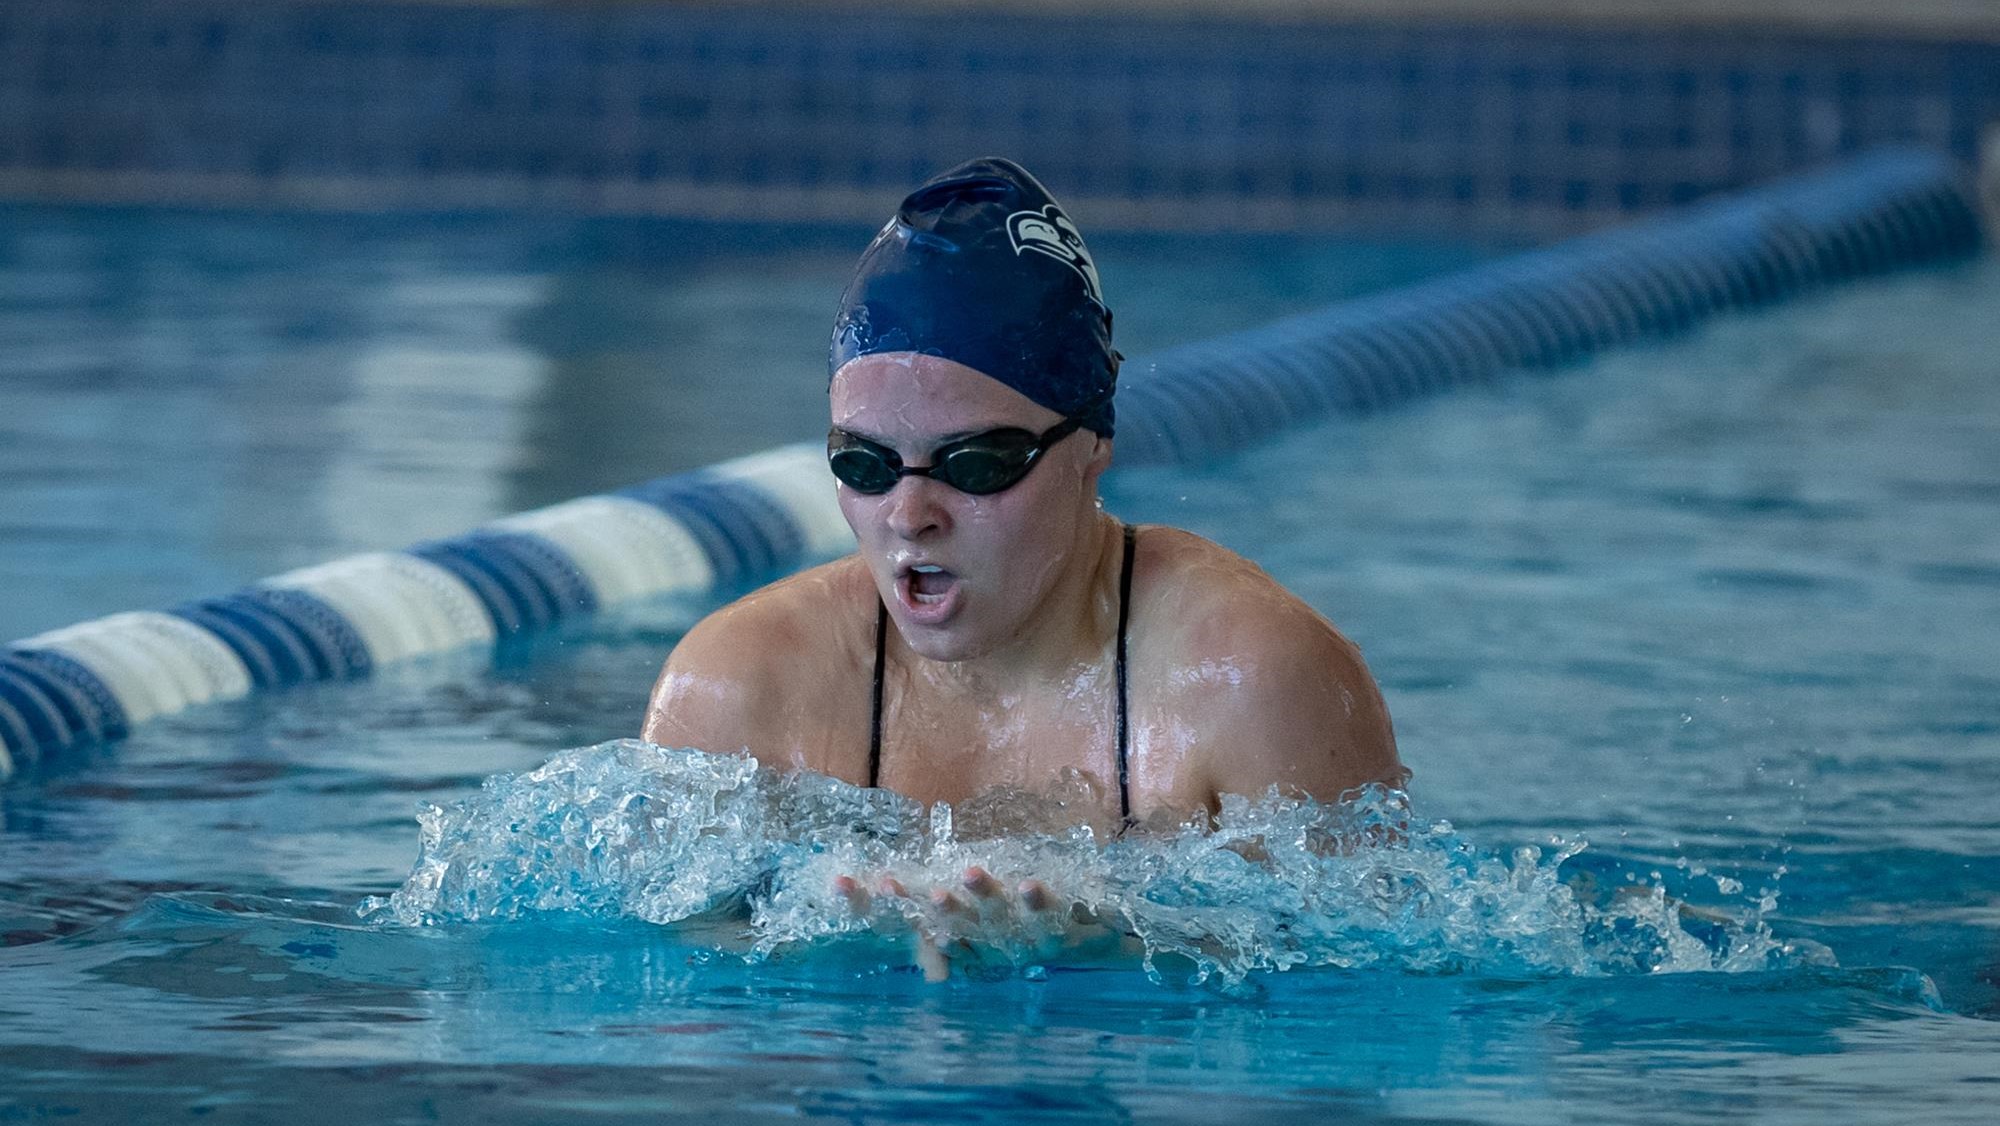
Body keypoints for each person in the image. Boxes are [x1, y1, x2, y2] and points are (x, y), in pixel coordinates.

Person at [642, 157, 1405, 976]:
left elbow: (1371, 984)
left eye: (974, 463)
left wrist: (1125, 952)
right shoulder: (738, 685)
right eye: (865, 463)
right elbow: (663, 988)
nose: (909, 514)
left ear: (1093, 442)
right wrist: (835, 951)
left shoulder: (1255, 681)